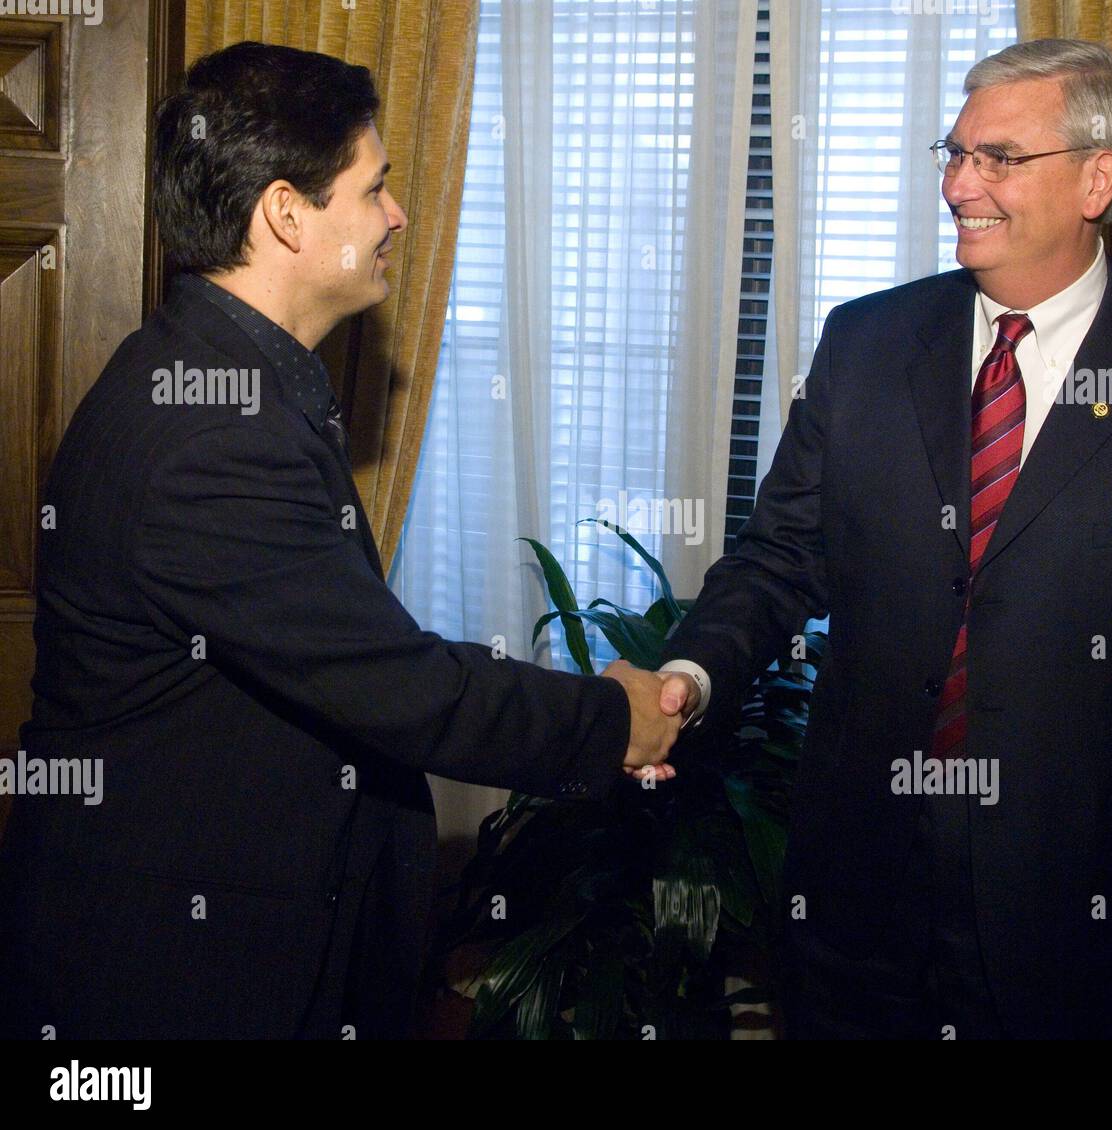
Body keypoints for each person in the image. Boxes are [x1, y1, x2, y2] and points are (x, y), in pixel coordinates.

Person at [0, 41, 679, 1040]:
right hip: (166, 969)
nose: (397, 215)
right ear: (286, 212)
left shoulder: (224, 378)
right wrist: (613, 719)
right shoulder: (209, 436)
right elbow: (390, 681)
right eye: (374, 188)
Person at [657, 38, 1112, 1039]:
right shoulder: (866, 342)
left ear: (1099, 178)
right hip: (853, 888)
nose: (960, 184)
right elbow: (781, 554)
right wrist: (689, 676)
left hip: (1077, 916)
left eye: (997, 156)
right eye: (952, 153)